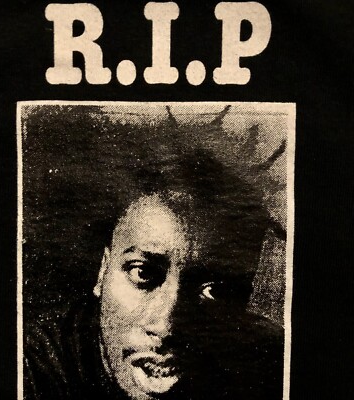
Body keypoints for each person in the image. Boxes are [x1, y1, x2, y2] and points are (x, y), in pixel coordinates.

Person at [24, 144, 284, 400]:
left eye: (215, 291)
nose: (166, 326)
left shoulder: (274, 363)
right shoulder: (29, 368)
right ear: (103, 272)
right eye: (143, 274)